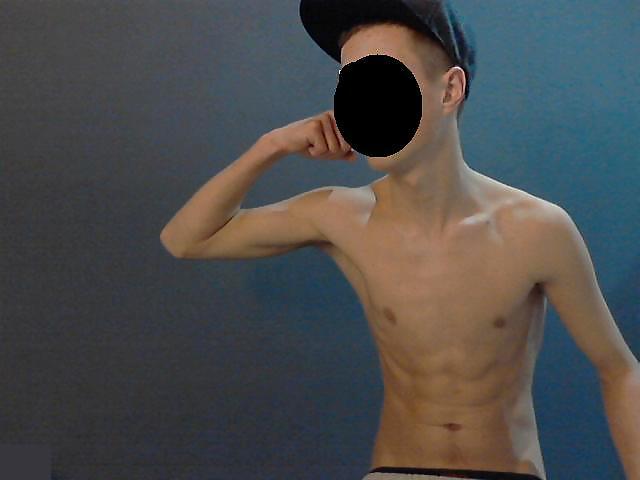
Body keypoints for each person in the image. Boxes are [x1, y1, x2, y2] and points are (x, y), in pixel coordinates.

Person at [160, 1, 640, 479]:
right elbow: (186, 239)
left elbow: (619, 369)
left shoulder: (537, 229)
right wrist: (271, 146)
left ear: (449, 89)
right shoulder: (340, 216)